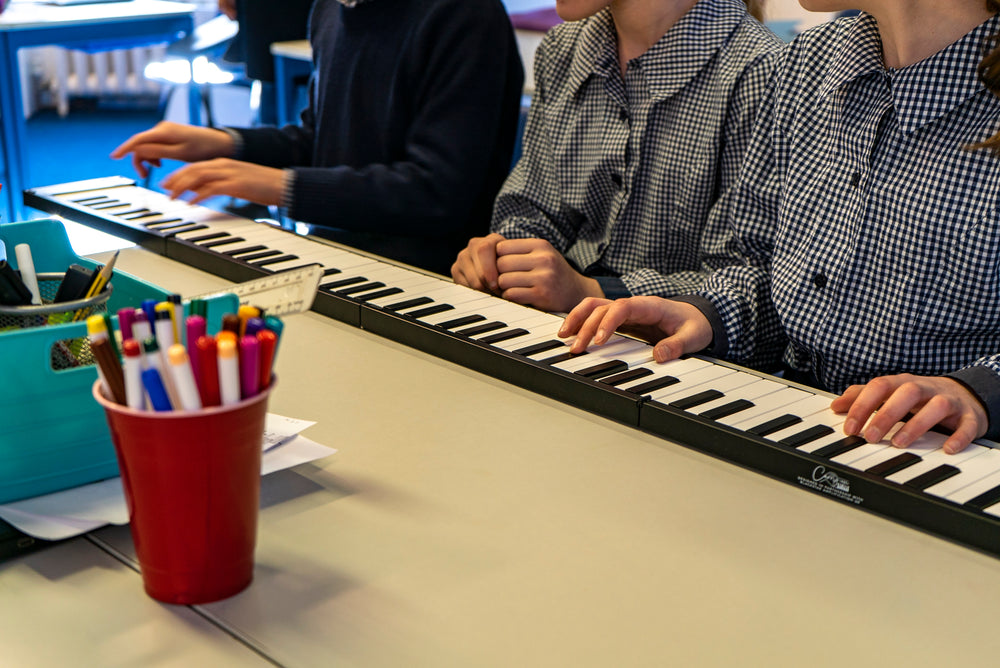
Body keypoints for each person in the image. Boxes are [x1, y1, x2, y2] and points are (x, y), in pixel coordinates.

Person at [560, 1, 1000, 454]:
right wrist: (708, 314)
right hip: (810, 425)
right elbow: (763, 266)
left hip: (944, 452)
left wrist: (976, 392)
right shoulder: (807, 62)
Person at [111, 0, 524, 276]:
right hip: (335, 256)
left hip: (428, 277)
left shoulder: (464, 15)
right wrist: (226, 143)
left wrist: (282, 186)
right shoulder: (331, 8)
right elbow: (320, 140)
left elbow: (437, 194)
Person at [450, 0, 783, 313]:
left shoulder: (762, 71)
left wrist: (594, 291)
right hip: (552, 326)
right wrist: (502, 259)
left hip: (676, 359)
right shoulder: (563, 47)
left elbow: (752, 288)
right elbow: (534, 210)